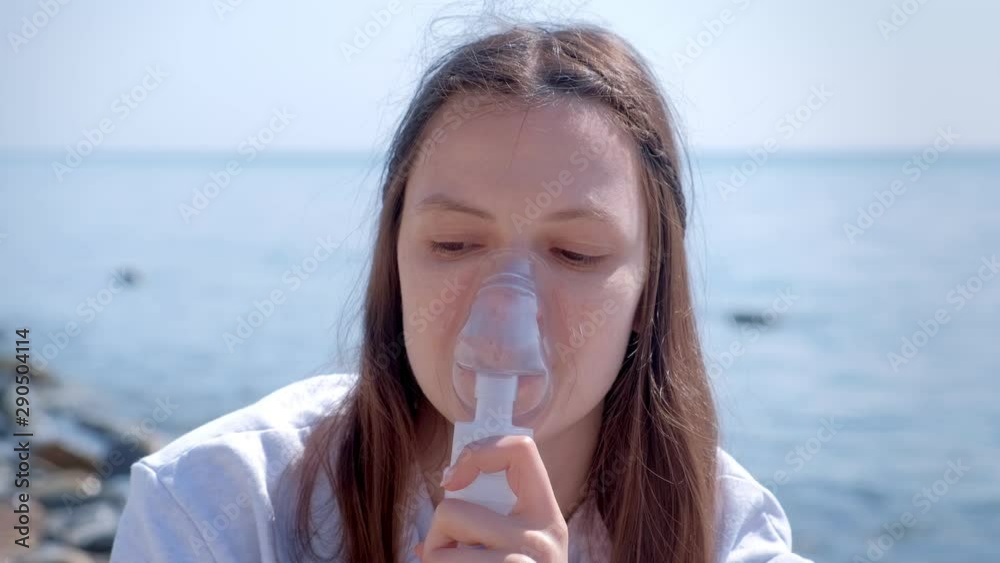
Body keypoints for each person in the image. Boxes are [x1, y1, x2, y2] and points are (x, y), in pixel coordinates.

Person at [110, 22, 813, 563]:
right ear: (395, 258)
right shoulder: (213, 508)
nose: (505, 311)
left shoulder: (729, 535)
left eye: (576, 253)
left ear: (651, 290)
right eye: (453, 244)